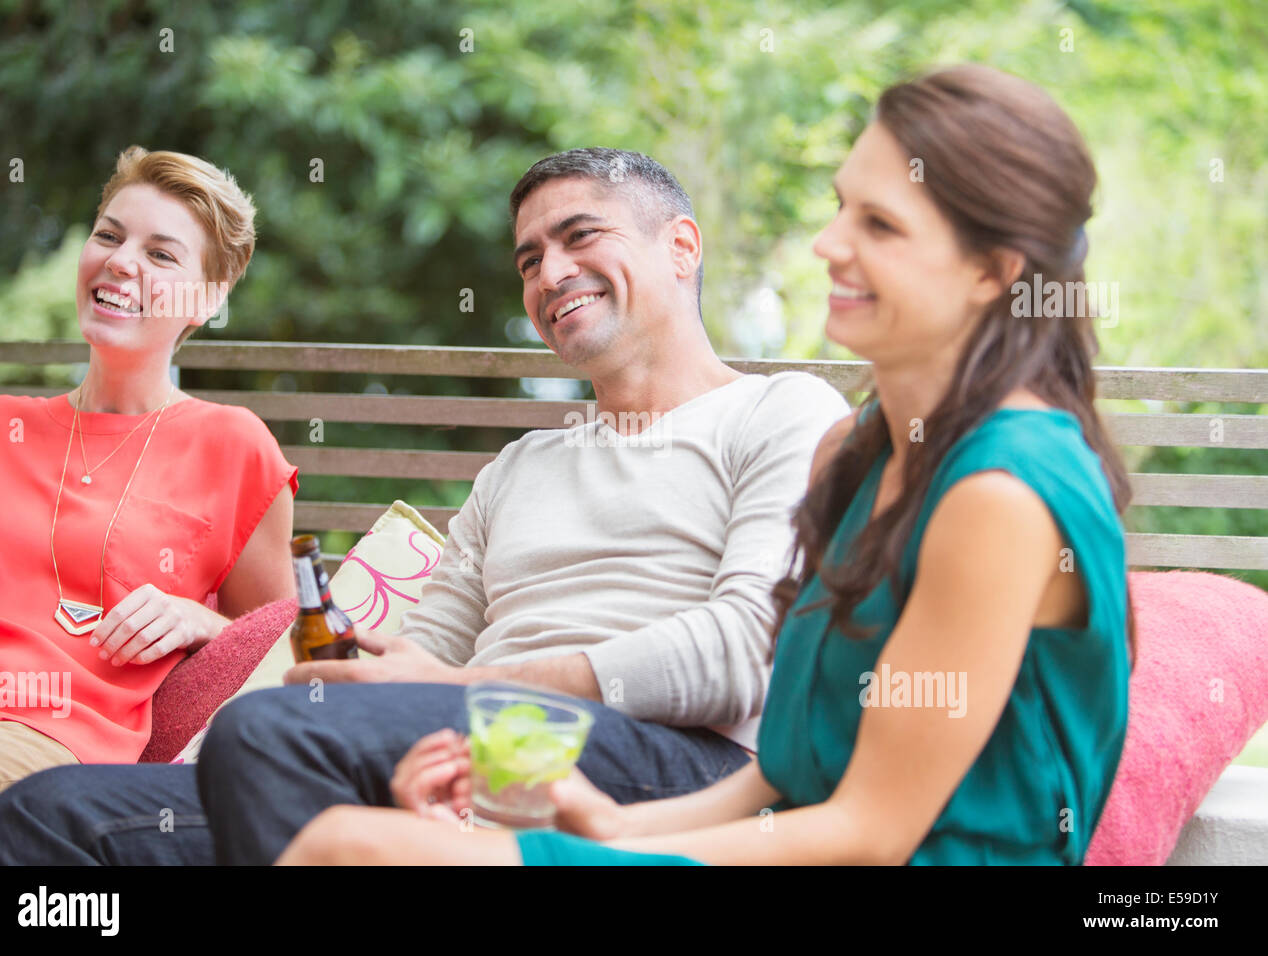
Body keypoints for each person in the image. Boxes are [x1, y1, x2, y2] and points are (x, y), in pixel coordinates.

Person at [274, 63, 1136, 866]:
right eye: (841, 208)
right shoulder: (857, 455)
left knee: (354, 848)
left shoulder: (1000, 494)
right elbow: (785, 775)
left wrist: (590, 852)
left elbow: (871, 830)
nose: (828, 244)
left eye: (879, 224)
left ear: (993, 272)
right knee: (345, 832)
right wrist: (607, 823)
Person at [0, 148, 847, 865]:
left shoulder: (782, 412)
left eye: (581, 236)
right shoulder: (519, 468)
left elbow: (746, 652)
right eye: (530, 258)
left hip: (668, 764)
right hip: (470, 749)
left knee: (270, 734)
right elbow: (420, 654)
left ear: (683, 246)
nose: (551, 272)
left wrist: (463, 688)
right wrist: (360, 683)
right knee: (40, 819)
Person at [0, 147, 296, 863]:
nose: (120, 262)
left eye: (161, 254)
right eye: (109, 236)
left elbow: (283, 649)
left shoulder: (231, 445)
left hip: (44, 748)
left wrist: (200, 619)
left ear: (208, 300)